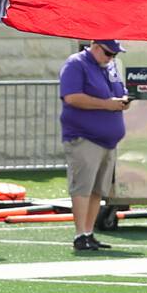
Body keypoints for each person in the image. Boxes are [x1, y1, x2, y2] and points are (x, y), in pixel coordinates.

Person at [59, 40, 132, 251]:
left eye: (114, 55)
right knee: (82, 186)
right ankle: (79, 234)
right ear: (95, 46)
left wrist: (122, 100)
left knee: (97, 189)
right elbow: (72, 97)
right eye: (108, 53)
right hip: (85, 137)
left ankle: (89, 233)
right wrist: (107, 104)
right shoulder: (76, 64)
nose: (111, 58)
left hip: (108, 140)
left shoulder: (110, 66)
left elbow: (119, 90)